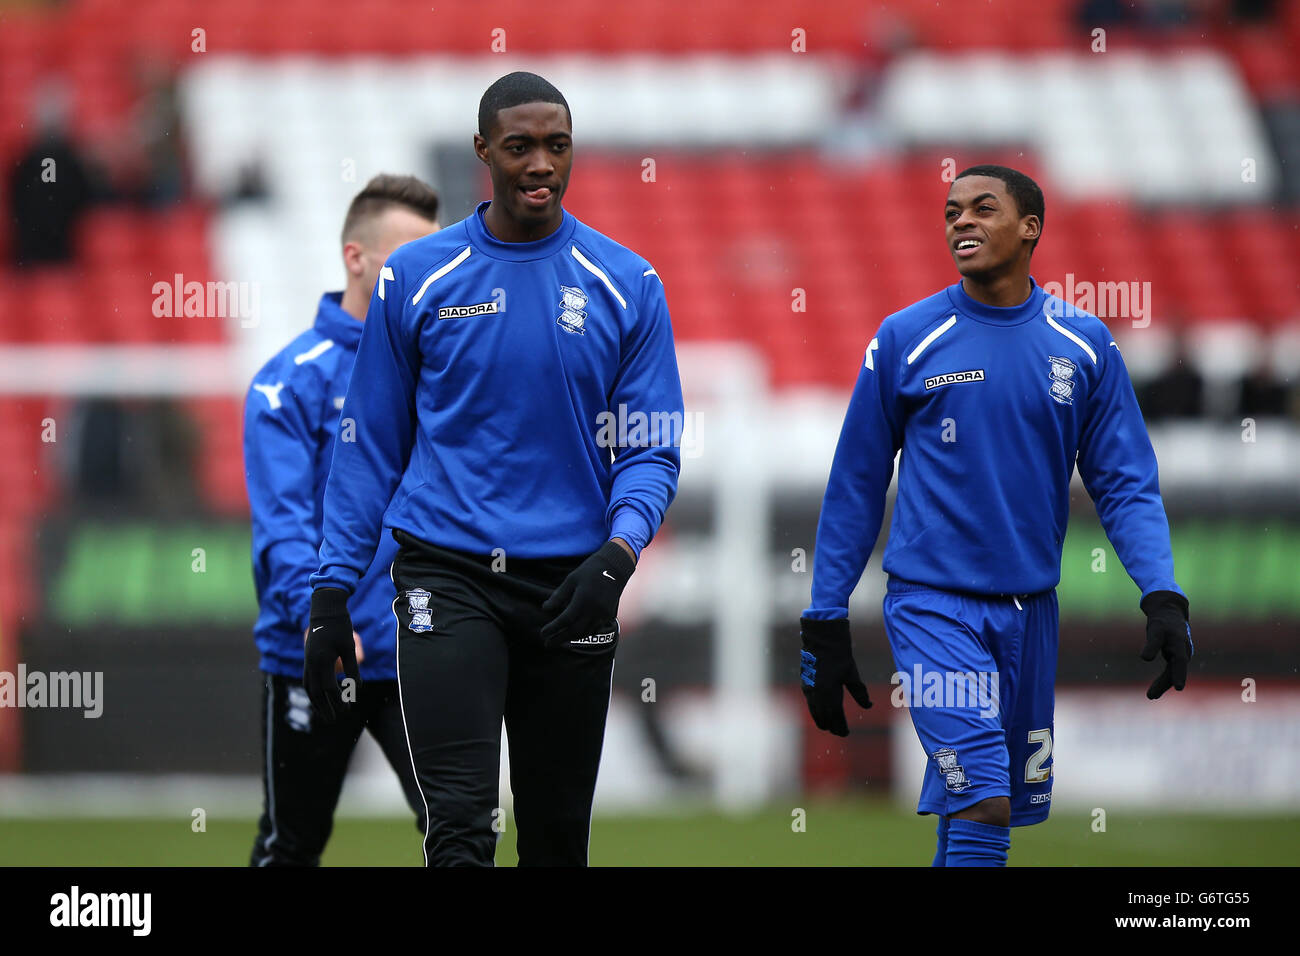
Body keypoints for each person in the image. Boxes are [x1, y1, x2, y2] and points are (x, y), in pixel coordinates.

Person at [306, 72, 684, 867]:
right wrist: (332, 589)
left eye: (557, 145)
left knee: (555, 845)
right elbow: (369, 441)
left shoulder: (629, 284)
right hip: (446, 577)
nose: (541, 163)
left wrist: (617, 557)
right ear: (484, 152)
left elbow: (649, 447)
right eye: (520, 147)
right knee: (460, 830)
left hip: (575, 584)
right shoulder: (416, 278)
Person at [799, 165, 1191, 867]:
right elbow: (855, 482)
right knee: (985, 799)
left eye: (983, 208)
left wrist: (1161, 592)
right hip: (932, 608)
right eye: (952, 212)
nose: (962, 222)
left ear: (1030, 228)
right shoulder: (905, 338)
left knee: (977, 813)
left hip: (1031, 613)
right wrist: (824, 618)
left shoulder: (1084, 345)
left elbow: (1126, 482)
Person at [244, 173, 441, 865]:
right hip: (316, 655)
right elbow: (283, 526)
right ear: (356, 258)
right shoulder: (288, 380)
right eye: (405, 256)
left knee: (461, 835)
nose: (422, 276)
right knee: (292, 844)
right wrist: (318, 618)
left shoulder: (444, 372)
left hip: (423, 646)